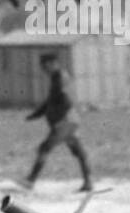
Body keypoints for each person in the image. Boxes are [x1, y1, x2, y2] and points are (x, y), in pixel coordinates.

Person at [23, 52, 93, 192]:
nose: (43, 70)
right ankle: (88, 183)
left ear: (51, 64)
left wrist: (60, 119)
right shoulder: (57, 78)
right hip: (70, 121)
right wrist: (35, 115)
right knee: (80, 152)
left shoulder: (60, 77)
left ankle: (30, 181)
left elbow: (66, 99)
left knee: (45, 148)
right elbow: (50, 102)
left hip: (65, 122)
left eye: (44, 67)